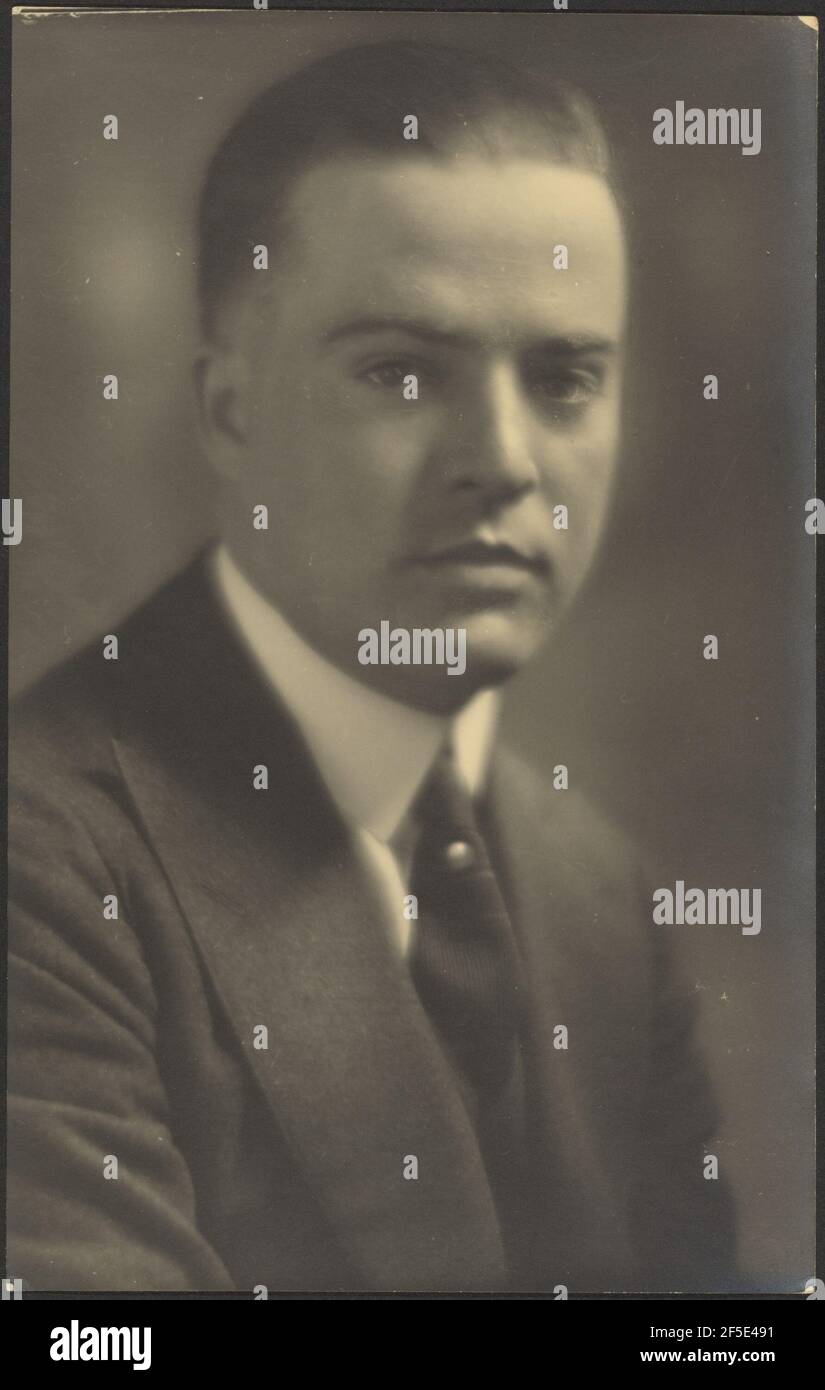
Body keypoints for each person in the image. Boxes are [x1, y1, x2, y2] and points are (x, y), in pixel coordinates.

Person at [7, 40, 737, 1294]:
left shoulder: (601, 894)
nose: (503, 459)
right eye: (403, 372)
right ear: (229, 410)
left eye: (564, 378)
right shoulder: (46, 863)